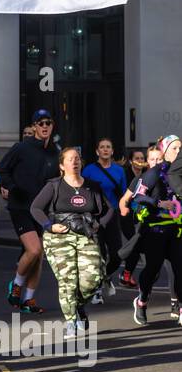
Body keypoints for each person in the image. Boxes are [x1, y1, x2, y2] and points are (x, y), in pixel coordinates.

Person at [31, 147, 112, 339]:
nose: (74, 162)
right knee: (67, 281)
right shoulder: (54, 186)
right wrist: (50, 226)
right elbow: (35, 208)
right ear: (61, 165)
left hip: (86, 235)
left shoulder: (92, 186)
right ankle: (71, 321)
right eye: (70, 159)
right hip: (59, 237)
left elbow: (110, 209)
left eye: (77, 159)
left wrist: (99, 225)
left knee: (91, 281)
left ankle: (79, 307)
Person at [0, 108, 59, 313]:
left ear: (52, 126)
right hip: (21, 206)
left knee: (38, 256)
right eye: (40, 123)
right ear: (34, 127)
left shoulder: (54, 152)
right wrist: (12, 187)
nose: (44, 127)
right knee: (34, 249)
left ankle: (29, 300)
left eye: (48, 123)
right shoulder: (21, 148)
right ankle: (16, 285)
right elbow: (2, 169)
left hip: (41, 210)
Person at [126, 134, 182, 327]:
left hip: (176, 230)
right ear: (165, 150)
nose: (178, 152)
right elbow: (137, 197)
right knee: (152, 270)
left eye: (180, 148)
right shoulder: (154, 173)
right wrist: (159, 203)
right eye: (174, 148)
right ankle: (141, 301)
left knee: (180, 269)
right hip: (155, 230)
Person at [82, 137, 127, 299]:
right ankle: (97, 290)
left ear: (112, 151)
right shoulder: (88, 170)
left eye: (108, 147)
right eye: (102, 147)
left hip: (112, 215)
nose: (105, 149)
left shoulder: (119, 171)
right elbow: (82, 193)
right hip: (94, 216)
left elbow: (124, 194)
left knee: (117, 255)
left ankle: (105, 277)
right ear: (97, 151)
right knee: (98, 255)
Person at [117, 146, 149, 288]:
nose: (140, 161)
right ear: (131, 161)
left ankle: (127, 274)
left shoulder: (149, 174)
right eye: (137, 158)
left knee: (139, 246)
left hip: (143, 216)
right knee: (134, 245)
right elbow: (125, 199)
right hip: (128, 215)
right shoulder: (125, 175)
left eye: (142, 158)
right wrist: (137, 207)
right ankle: (126, 273)